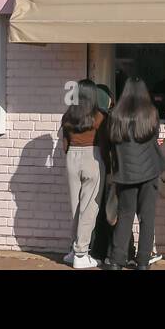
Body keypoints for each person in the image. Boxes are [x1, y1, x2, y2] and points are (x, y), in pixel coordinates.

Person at [105, 78, 165, 270]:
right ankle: (142, 262)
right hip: (149, 171)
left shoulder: (116, 115)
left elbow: (112, 140)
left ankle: (116, 261)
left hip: (125, 173)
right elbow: (155, 136)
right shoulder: (150, 113)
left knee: (124, 216)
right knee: (146, 218)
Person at [60, 79, 106, 269]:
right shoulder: (100, 116)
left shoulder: (68, 116)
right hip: (92, 156)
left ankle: (73, 249)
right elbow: (104, 142)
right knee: (89, 208)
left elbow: (64, 144)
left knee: (75, 207)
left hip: (72, 157)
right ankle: (81, 252)